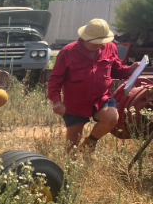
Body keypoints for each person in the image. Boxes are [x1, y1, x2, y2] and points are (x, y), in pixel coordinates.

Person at [47, 18, 141, 149]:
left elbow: (117, 71)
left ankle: (88, 145)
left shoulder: (110, 48)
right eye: (95, 42)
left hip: (101, 98)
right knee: (71, 145)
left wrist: (131, 69)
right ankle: (70, 164)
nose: (98, 45)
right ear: (85, 38)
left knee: (112, 118)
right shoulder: (68, 52)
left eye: (101, 42)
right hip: (75, 103)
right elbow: (55, 79)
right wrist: (56, 100)